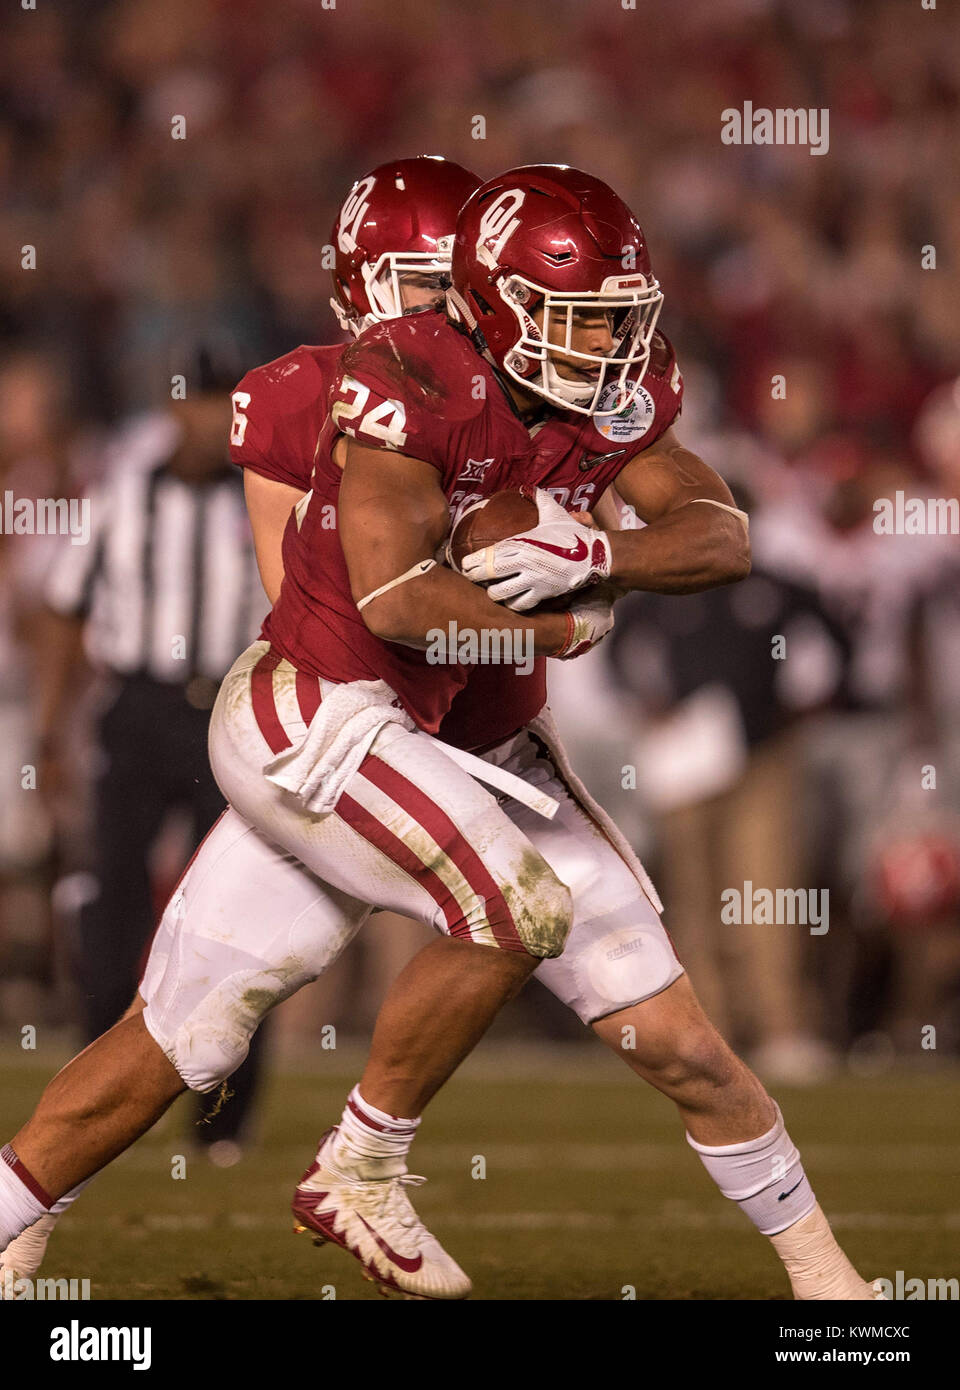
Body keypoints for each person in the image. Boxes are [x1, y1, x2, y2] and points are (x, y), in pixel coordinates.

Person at [0, 166, 884, 1302]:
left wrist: (600, 554)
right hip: (323, 719)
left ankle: (834, 1291)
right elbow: (390, 602)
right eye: (583, 315)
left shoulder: (598, 397)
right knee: (497, 911)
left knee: (679, 1041)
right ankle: (362, 1163)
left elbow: (720, 532)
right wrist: (561, 616)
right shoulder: (397, 378)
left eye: (621, 315)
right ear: (494, 301)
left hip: (479, 746)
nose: (611, 342)